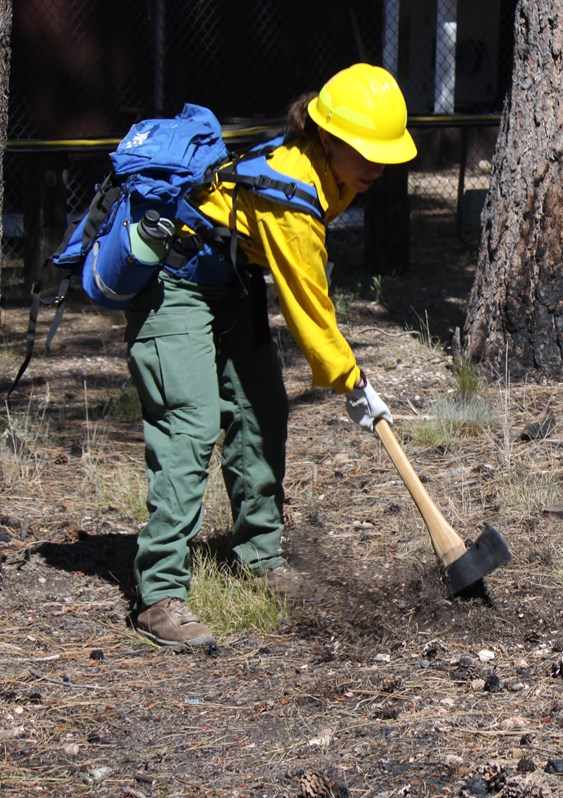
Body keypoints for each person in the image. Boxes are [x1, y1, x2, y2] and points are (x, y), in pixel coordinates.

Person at [129, 64, 415, 648]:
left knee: (262, 410)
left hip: (231, 280)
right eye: (366, 151)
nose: (376, 166)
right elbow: (308, 305)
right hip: (175, 281)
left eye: (384, 155)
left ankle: (259, 555)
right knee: (191, 423)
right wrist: (352, 380)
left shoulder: (329, 173)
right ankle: (160, 595)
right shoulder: (292, 191)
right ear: (328, 136)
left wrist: (349, 376)